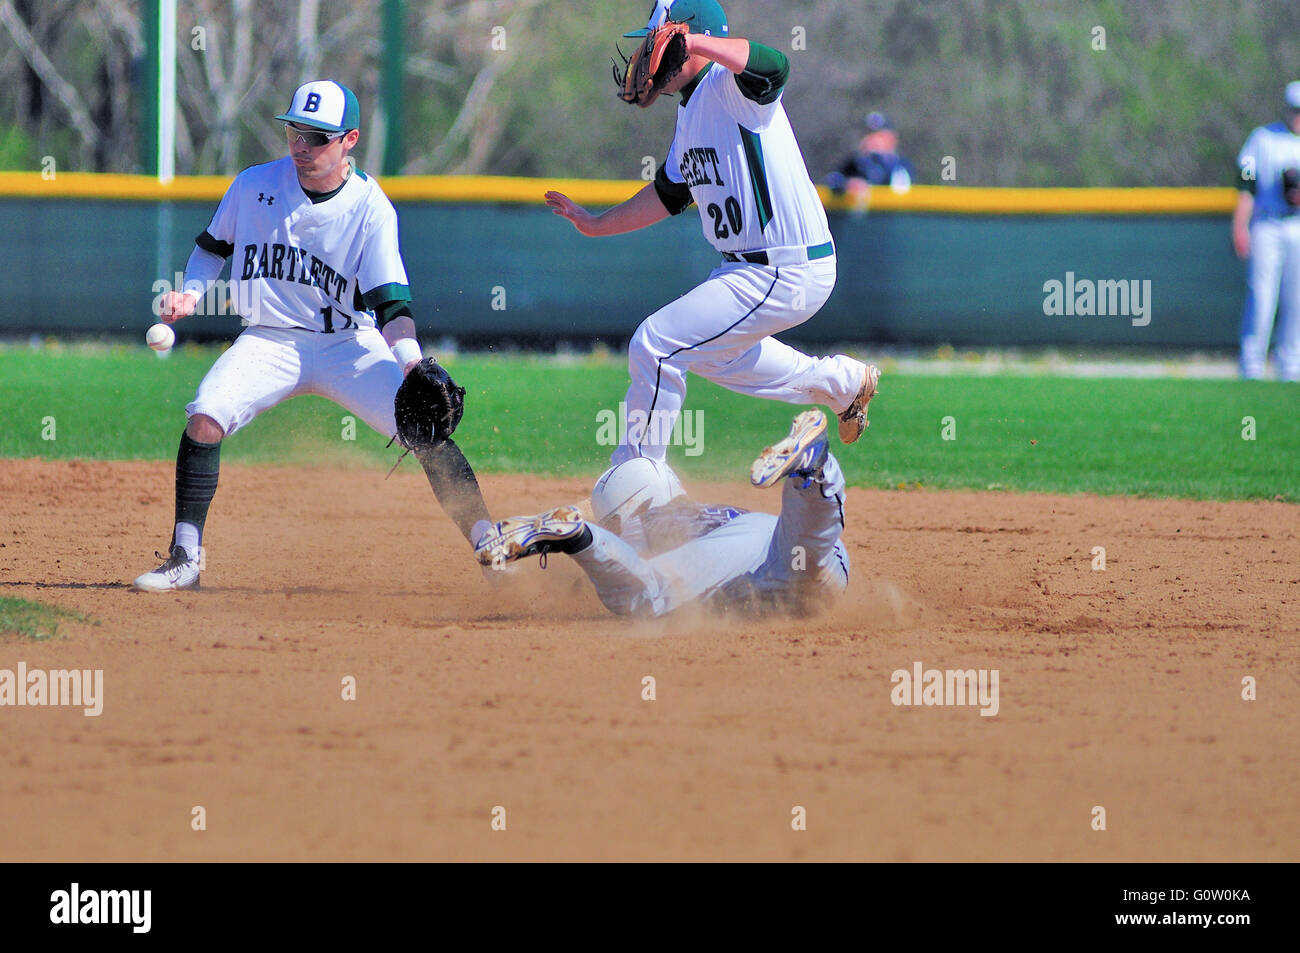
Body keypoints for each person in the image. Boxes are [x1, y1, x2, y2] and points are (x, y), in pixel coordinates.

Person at [133, 80, 491, 592]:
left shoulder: (370, 206)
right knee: (206, 419)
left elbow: (392, 302)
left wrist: (411, 363)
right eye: (294, 132)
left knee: (423, 426)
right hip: (268, 341)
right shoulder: (254, 185)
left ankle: (489, 542)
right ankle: (185, 558)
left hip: (347, 343)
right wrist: (190, 292)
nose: (302, 147)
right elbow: (213, 247)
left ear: (349, 140)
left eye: (317, 137)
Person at [545, 0, 879, 476]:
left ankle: (637, 475)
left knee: (655, 346)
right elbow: (666, 195)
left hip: (783, 267)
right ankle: (839, 383)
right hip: (750, 269)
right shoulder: (691, 112)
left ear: (687, 36)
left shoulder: (730, 87)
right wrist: (596, 223)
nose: (647, 55)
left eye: (658, 39)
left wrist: (695, 44)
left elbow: (775, 66)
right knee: (709, 355)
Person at [474, 410, 850, 618]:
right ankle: (817, 470)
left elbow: (624, 574)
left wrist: (580, 544)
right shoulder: (701, 512)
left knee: (648, 598)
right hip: (782, 534)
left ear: (624, 516)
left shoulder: (659, 526)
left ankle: (579, 538)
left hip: (737, 555)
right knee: (809, 559)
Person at [1232, 81, 1300, 381]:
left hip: (1298, 225)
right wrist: (1240, 226)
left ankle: (1292, 367)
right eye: (1295, 111)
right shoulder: (1262, 139)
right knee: (1261, 296)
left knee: (1296, 299)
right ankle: (1252, 366)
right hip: (1268, 224)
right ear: (1287, 110)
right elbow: (1246, 184)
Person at [826, 111, 915, 198]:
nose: (872, 140)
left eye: (879, 136)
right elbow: (832, 181)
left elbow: (900, 194)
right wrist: (847, 184)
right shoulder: (855, 164)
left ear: (891, 139)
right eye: (868, 135)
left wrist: (869, 185)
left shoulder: (899, 166)